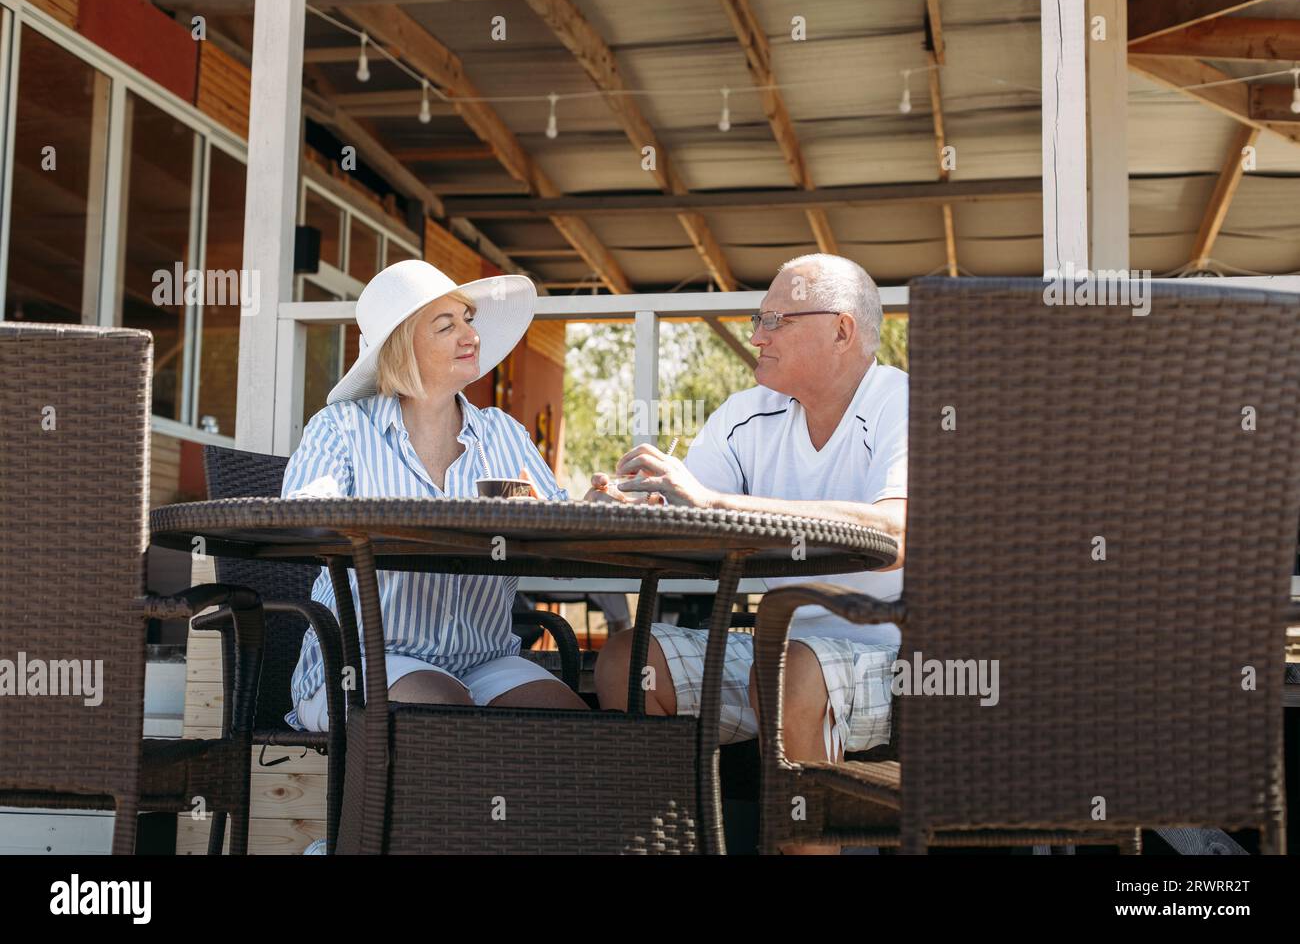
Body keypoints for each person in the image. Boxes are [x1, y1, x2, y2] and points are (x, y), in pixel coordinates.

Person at [590, 253, 907, 853]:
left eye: (774, 320)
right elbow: (689, 515)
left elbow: (896, 532)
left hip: (899, 658)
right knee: (629, 660)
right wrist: (625, 505)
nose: (755, 335)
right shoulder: (745, 415)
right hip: (780, 653)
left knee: (787, 670)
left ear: (841, 329)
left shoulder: (902, 404)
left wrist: (712, 503)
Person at [281, 260, 587, 732]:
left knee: (570, 726)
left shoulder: (503, 433)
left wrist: (591, 507)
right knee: (443, 712)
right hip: (363, 658)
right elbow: (303, 516)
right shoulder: (341, 427)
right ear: (402, 347)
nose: (470, 336)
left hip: (483, 659)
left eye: (468, 320)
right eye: (447, 326)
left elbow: (564, 531)